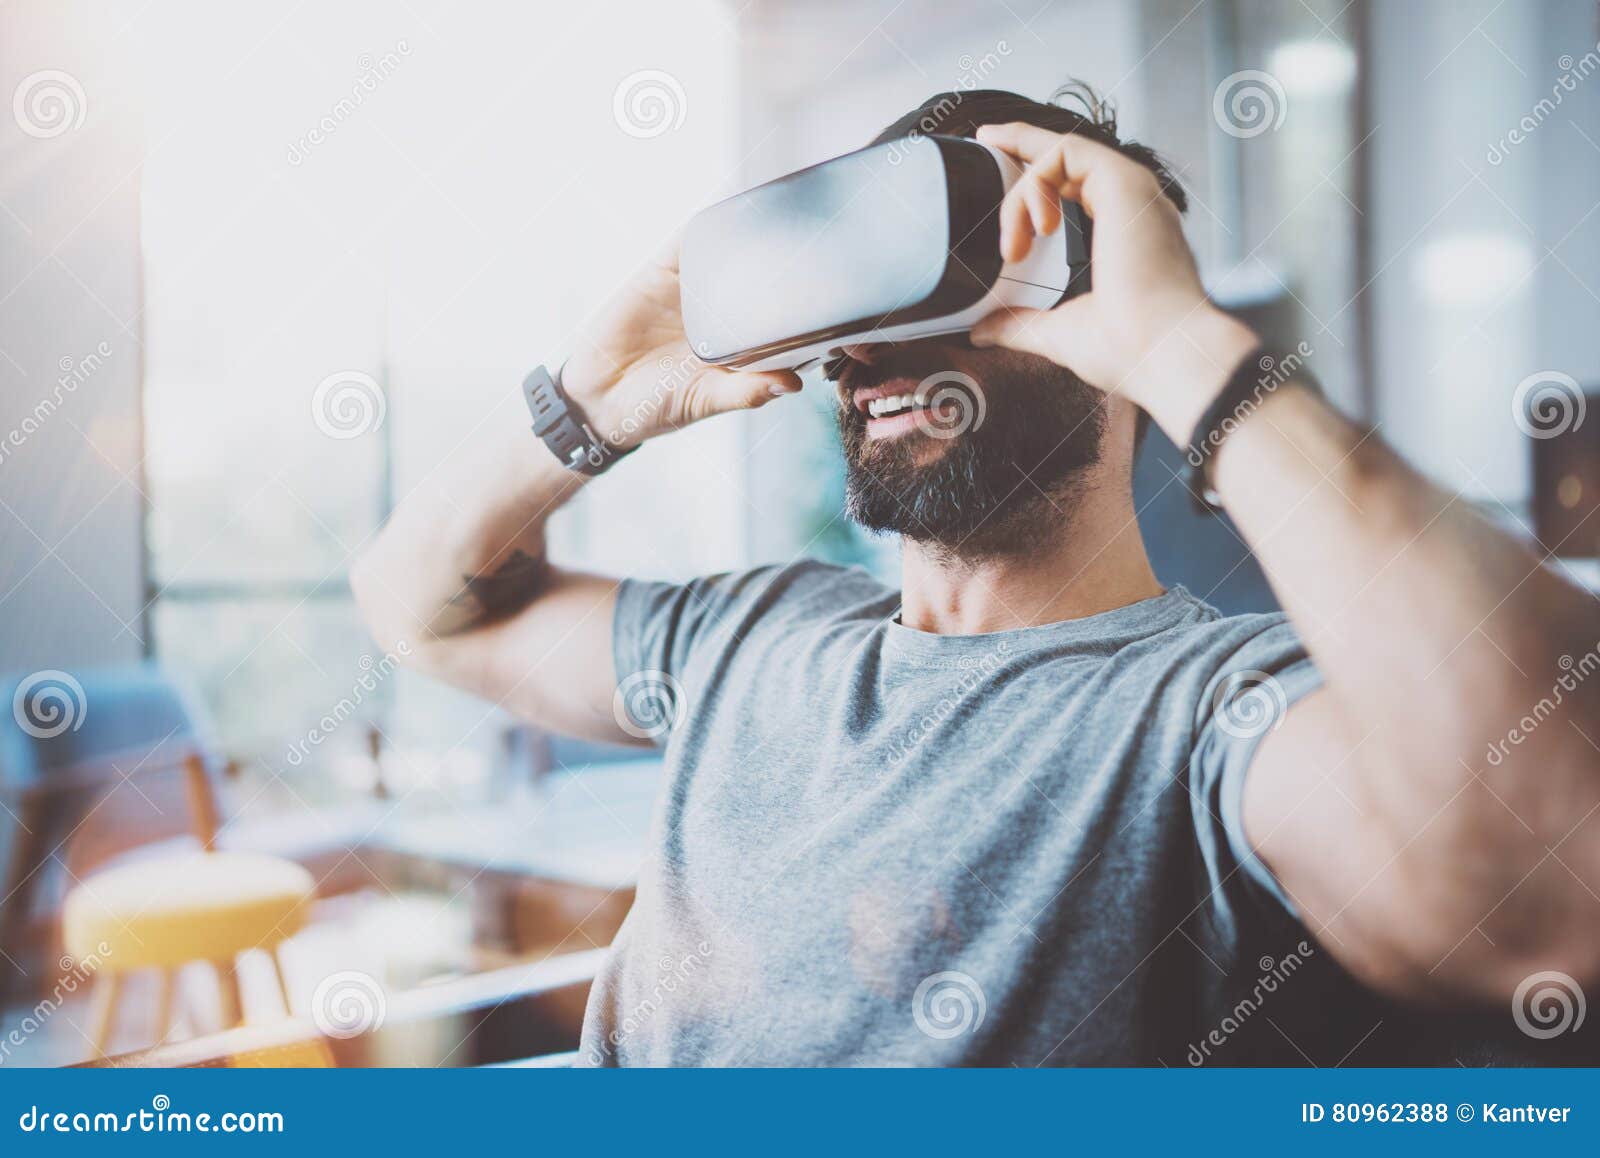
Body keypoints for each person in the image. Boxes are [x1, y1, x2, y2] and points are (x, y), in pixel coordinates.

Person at [351, 88, 1599, 1065]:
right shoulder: (747, 632)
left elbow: (1547, 897)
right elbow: (419, 610)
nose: (882, 347)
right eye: (861, 303)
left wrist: (1182, 347)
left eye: (961, 280)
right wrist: (585, 409)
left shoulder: (1214, 714)